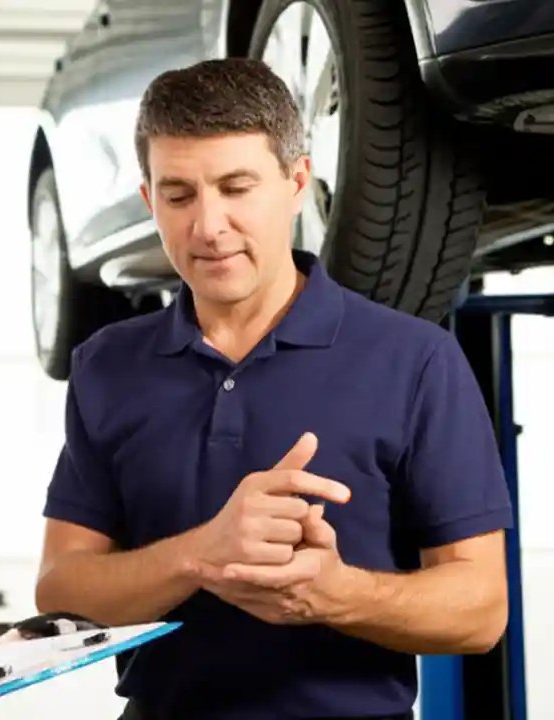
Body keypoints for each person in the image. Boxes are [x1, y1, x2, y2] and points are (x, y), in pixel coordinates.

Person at [35, 58, 513, 720]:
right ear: (149, 200)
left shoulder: (415, 360)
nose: (208, 226)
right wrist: (203, 555)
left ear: (296, 183)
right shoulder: (107, 366)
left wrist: (336, 593)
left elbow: (481, 610)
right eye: (179, 195)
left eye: (237, 187)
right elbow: (63, 588)